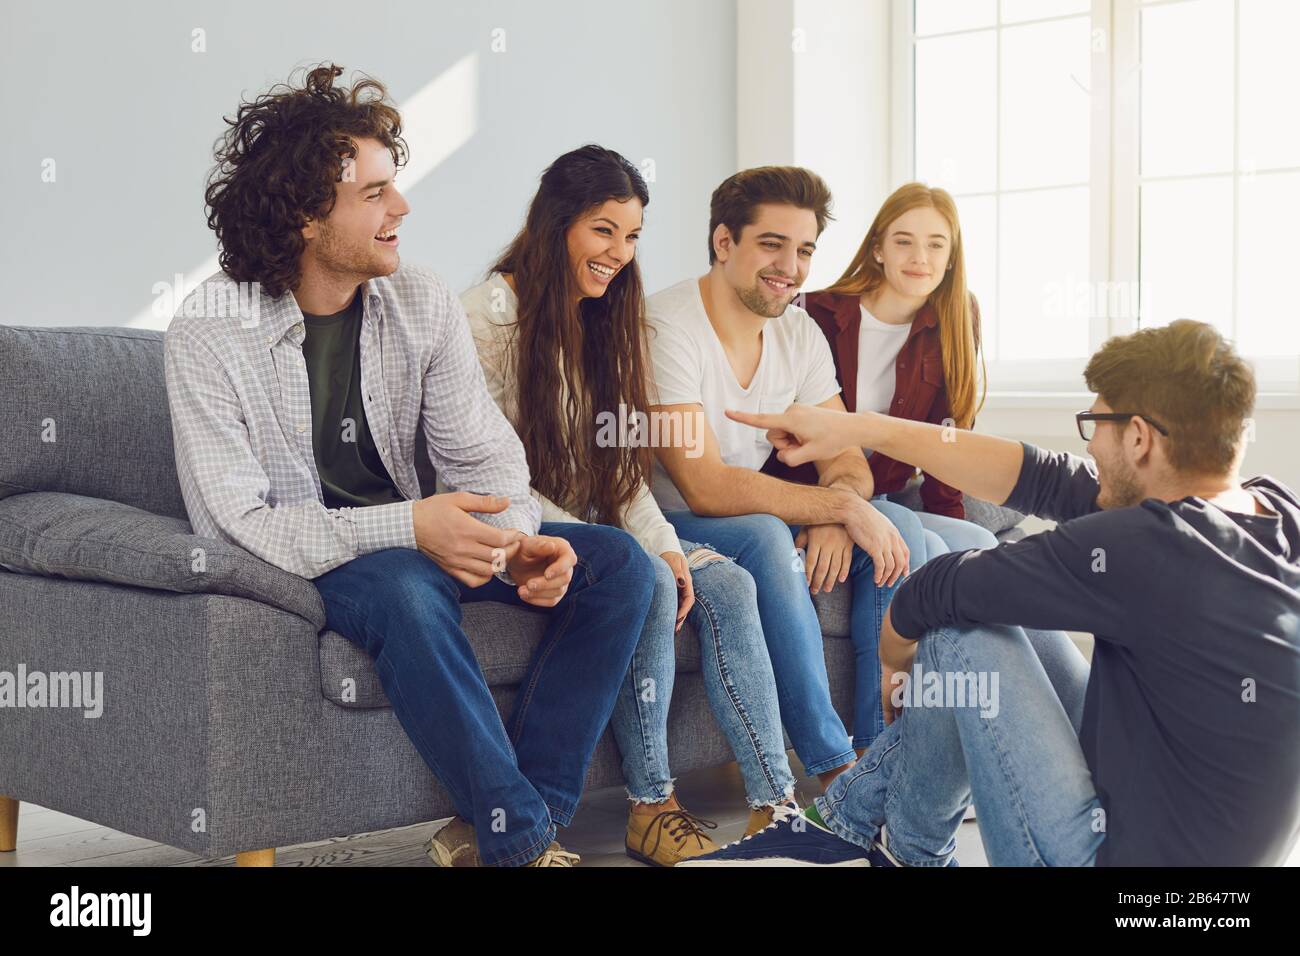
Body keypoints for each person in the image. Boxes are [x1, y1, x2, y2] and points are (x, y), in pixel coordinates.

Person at [164, 65, 654, 868]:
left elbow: (490, 456)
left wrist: (514, 537)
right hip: (323, 557)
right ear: (303, 217)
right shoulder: (210, 330)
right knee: (405, 585)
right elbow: (236, 521)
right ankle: (525, 844)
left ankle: (505, 824)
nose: (403, 207)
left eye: (397, 185)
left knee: (620, 566)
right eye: (375, 193)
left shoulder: (418, 300)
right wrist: (411, 526)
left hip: (425, 536)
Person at [684, 318, 1300, 866]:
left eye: (1095, 424)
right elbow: (1044, 477)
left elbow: (937, 589)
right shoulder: (1271, 512)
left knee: (959, 632)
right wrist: (855, 427)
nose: (1087, 444)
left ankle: (901, 850)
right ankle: (849, 828)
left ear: (1138, 437)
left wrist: (895, 663)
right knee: (1004, 614)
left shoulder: (1147, 546)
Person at [460, 145, 800, 866]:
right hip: (522, 528)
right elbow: (488, 475)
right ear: (557, 225)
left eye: (633, 235)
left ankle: (778, 804)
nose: (619, 252)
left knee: (727, 585)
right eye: (602, 230)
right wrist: (628, 550)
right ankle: (653, 806)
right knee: (639, 578)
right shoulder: (488, 319)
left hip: (604, 528)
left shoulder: (606, 318)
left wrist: (667, 545)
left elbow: (622, 475)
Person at [646, 166, 930, 761]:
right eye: (772, 245)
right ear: (724, 243)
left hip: (747, 511)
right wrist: (842, 506)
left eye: (804, 250)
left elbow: (848, 457)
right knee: (765, 533)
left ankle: (882, 762)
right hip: (669, 520)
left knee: (901, 527)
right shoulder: (664, 326)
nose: (792, 268)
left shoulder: (799, 333)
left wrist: (839, 511)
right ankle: (832, 767)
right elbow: (704, 486)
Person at [765, 182, 999, 557]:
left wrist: (951, 515)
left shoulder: (956, 316)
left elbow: (948, 434)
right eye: (904, 242)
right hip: (809, 493)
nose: (920, 257)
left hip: (884, 495)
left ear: (952, 256)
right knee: (933, 547)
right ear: (878, 249)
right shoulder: (812, 312)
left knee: (978, 545)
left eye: (936, 244)